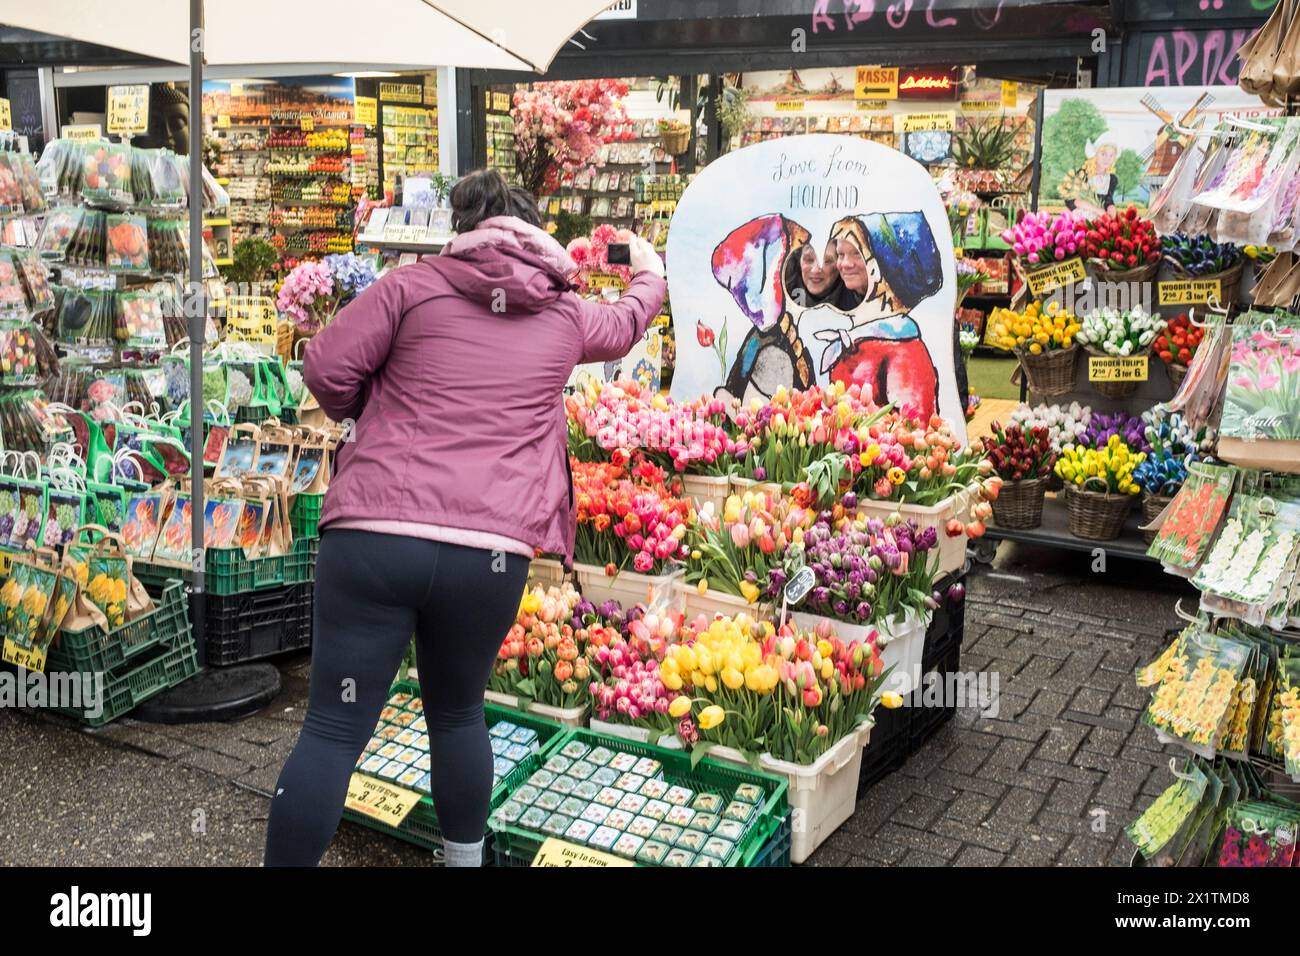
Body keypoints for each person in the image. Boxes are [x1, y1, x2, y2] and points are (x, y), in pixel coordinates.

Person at [263, 169, 667, 868]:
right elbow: (630, 323)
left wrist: (375, 419)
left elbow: (326, 368)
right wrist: (649, 272)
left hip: (374, 535)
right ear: (537, 236)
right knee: (457, 713)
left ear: (462, 229)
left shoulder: (409, 288)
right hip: (487, 553)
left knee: (332, 726)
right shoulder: (565, 314)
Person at [816, 213, 943, 421]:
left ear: (880, 266)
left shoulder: (904, 351)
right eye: (840, 254)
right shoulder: (860, 334)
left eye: (855, 254)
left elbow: (915, 431)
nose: (844, 264)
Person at [782, 238, 861, 311]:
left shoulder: (856, 300)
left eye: (827, 261)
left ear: (839, 265)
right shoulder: (784, 286)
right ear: (799, 261)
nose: (815, 270)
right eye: (809, 260)